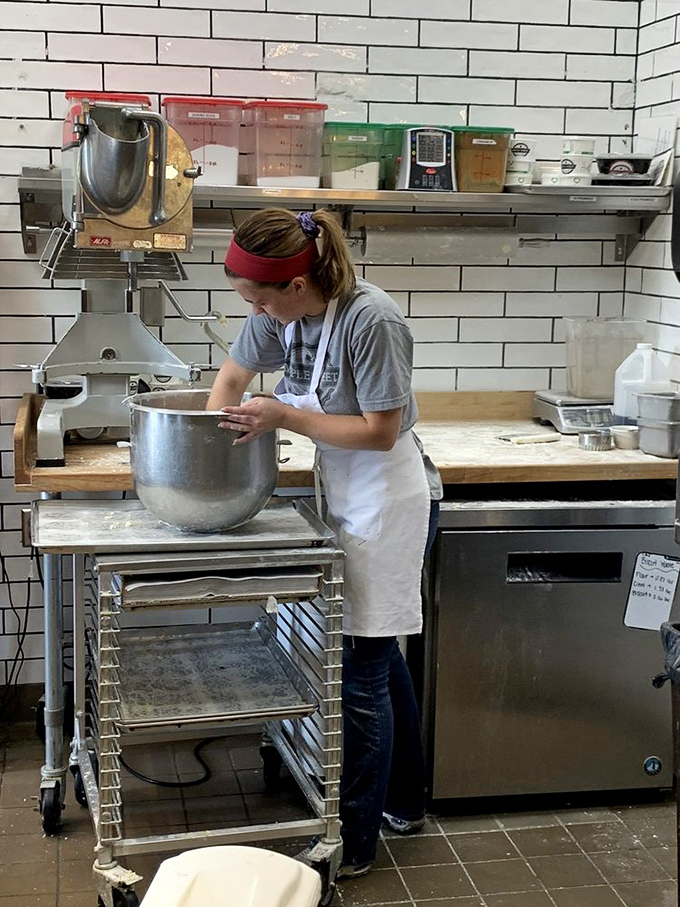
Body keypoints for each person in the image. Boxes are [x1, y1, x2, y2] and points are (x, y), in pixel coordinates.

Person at [207, 207, 442, 878]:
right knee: (380, 657)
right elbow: (231, 378)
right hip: (342, 490)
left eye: (260, 301)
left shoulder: (372, 320)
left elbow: (378, 431)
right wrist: (207, 448)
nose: (255, 313)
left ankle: (356, 842)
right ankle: (406, 801)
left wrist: (282, 414)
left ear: (297, 284)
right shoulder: (280, 311)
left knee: (361, 671)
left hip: (386, 498)